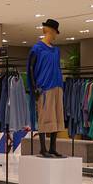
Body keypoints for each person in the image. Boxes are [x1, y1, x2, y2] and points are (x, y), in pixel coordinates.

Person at [28, 19, 65, 158]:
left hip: (57, 86)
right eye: (55, 31)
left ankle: (52, 148)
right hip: (44, 87)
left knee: (57, 116)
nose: (56, 34)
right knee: (45, 118)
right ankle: (43, 148)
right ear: (49, 30)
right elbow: (31, 68)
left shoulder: (56, 50)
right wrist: (34, 86)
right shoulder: (37, 48)